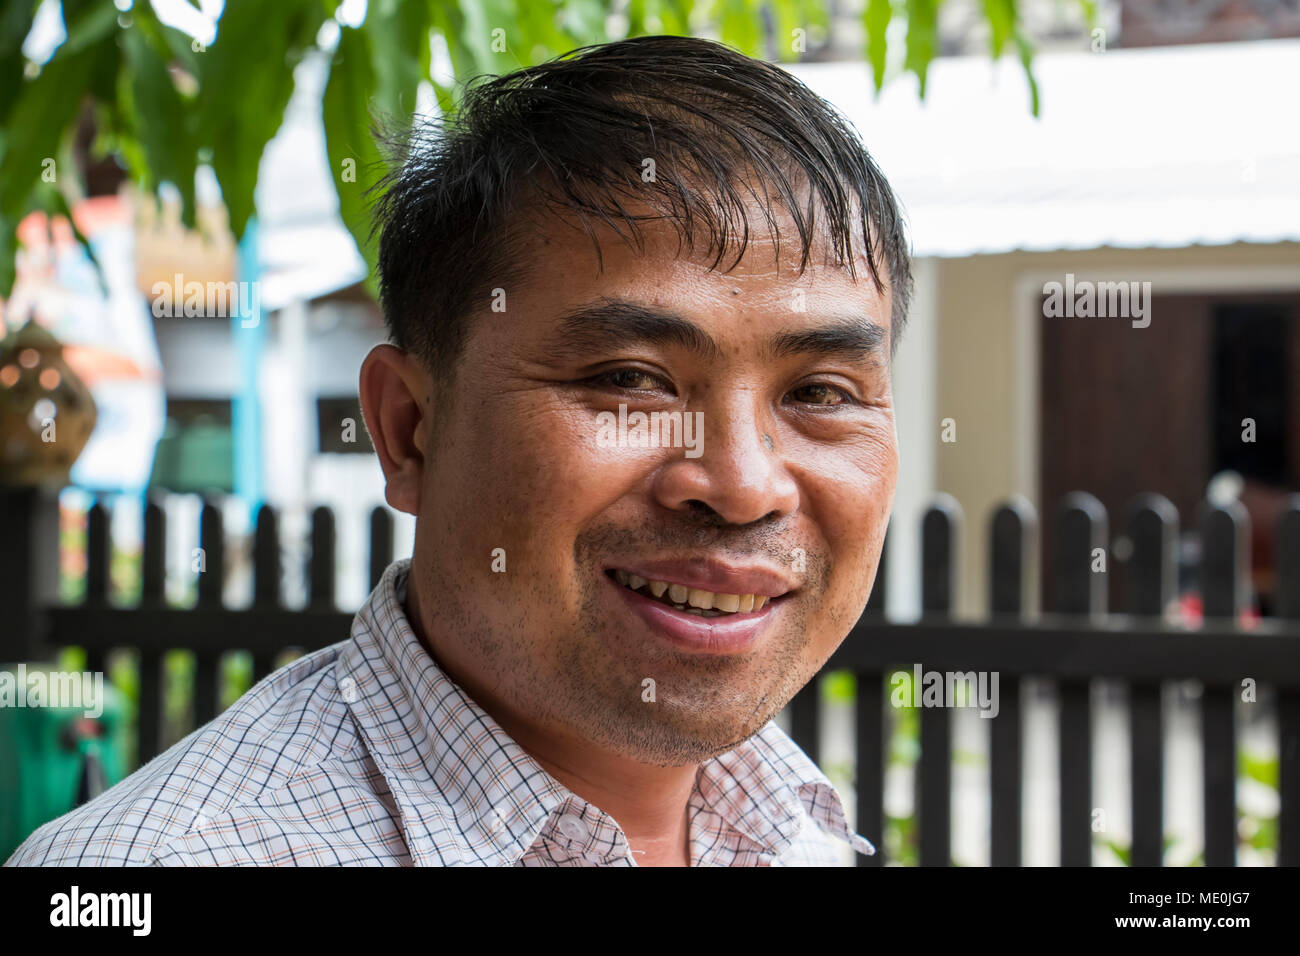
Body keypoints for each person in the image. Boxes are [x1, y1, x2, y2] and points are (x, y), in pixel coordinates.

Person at [7, 33, 911, 867]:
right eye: (633, 380)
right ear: (408, 429)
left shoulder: (798, 828)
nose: (744, 485)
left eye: (821, 393)